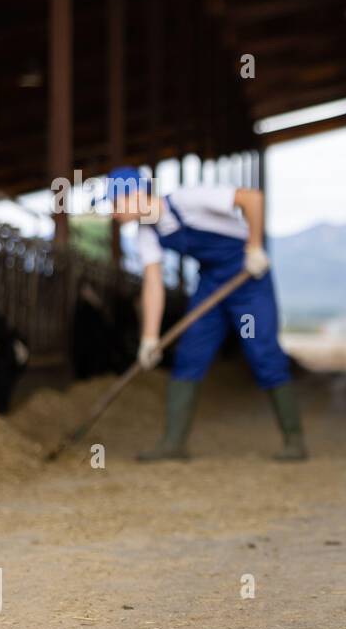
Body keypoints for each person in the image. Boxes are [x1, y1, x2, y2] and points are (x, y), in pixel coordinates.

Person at [107, 167, 306, 462]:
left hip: (248, 278)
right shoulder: (146, 233)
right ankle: (173, 444)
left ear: (136, 194)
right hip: (212, 285)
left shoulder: (188, 200)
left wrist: (254, 248)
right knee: (190, 353)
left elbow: (252, 198)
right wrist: (149, 339)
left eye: (115, 203)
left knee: (263, 352)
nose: (112, 212)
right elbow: (153, 284)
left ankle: (294, 441)